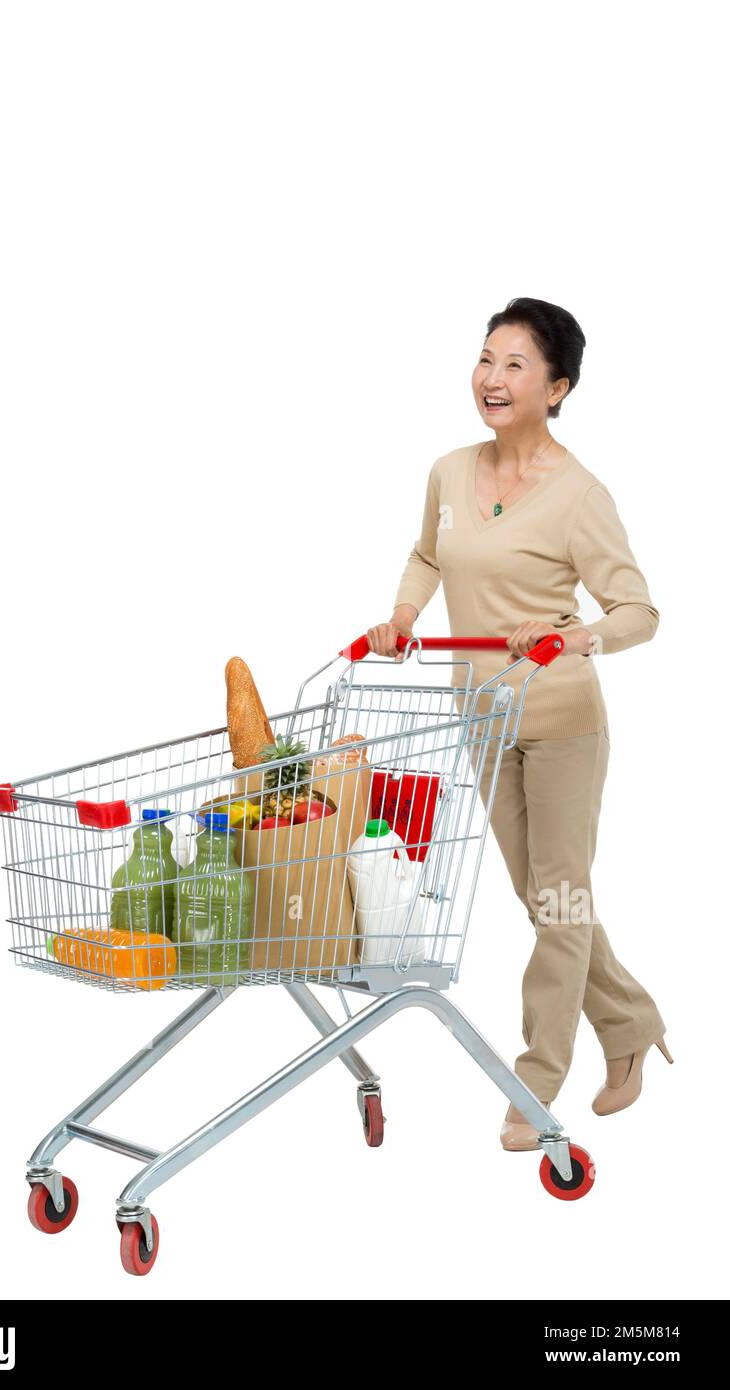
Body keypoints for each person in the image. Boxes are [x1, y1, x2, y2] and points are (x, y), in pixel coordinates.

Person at [367, 297, 672, 1151]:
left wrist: (576, 635)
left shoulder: (581, 496)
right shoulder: (449, 470)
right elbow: (430, 554)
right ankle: (634, 1020)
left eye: (515, 366)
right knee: (546, 901)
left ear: (558, 387)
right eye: (486, 359)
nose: (492, 380)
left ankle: (536, 1075)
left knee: (561, 900)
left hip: (563, 721)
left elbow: (639, 609)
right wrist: (402, 613)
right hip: (482, 721)